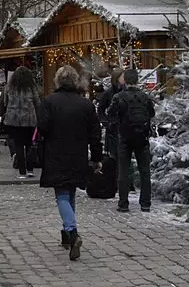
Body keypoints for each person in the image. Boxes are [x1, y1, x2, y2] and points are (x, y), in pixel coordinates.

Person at [38, 65, 102, 261]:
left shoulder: (49, 102)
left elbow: (42, 128)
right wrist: (97, 158)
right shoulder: (85, 105)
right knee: (71, 191)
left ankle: (72, 232)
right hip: (78, 155)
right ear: (75, 81)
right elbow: (95, 134)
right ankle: (67, 233)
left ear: (58, 81)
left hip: (56, 154)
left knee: (62, 195)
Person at [108, 68, 156, 213]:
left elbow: (111, 113)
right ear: (137, 80)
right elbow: (152, 113)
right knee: (144, 171)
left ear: (125, 81)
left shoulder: (119, 97)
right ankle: (145, 203)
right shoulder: (144, 97)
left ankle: (123, 203)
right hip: (142, 137)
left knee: (123, 170)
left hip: (125, 137)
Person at [4, 66, 40, 179]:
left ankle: (22, 172)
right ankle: (30, 170)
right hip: (29, 119)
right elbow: (37, 102)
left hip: (14, 120)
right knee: (30, 145)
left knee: (18, 145)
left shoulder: (9, 87)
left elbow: (5, 102)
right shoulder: (31, 87)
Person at [97, 68, 125, 161]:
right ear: (117, 78)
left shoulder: (127, 92)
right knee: (114, 157)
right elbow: (100, 109)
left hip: (125, 128)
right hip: (113, 129)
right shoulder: (108, 93)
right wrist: (106, 123)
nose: (125, 79)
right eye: (123, 77)